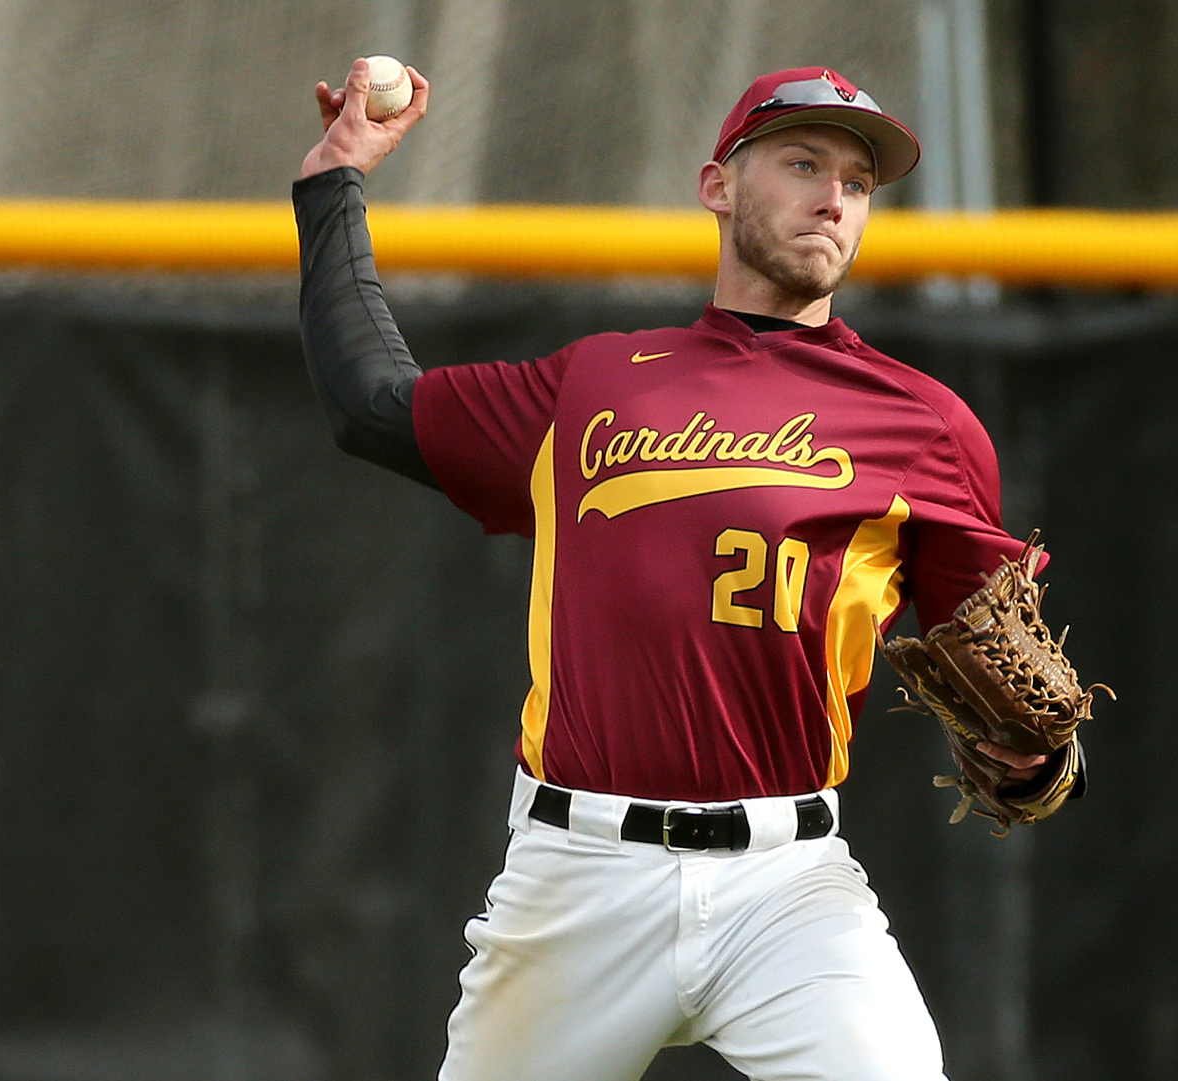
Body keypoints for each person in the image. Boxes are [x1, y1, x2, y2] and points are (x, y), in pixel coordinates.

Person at [294, 57, 1059, 1081]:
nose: (834, 196)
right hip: (578, 874)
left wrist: (1041, 762)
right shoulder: (598, 380)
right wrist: (334, 179)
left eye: (859, 181)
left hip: (788, 887)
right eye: (801, 160)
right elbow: (371, 403)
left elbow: (1007, 685)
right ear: (719, 187)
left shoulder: (927, 426)